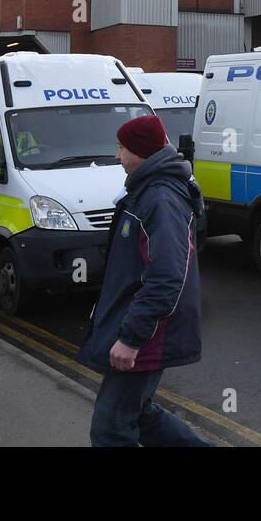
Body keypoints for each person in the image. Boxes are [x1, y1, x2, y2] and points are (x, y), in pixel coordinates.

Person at [77, 114, 209, 446]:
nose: (118, 156)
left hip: (149, 335)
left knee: (110, 429)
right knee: (140, 414)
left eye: (122, 148)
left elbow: (166, 276)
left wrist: (132, 338)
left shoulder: (159, 198)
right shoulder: (148, 191)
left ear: (140, 151)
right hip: (145, 330)